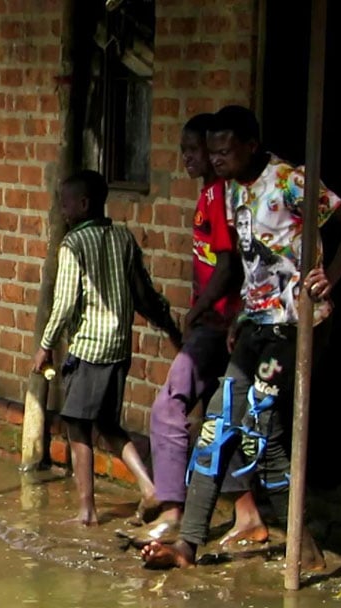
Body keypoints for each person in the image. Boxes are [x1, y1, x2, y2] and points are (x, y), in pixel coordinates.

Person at [142, 105, 341, 569]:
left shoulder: (291, 182)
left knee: (260, 426)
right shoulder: (228, 193)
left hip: (296, 325)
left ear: (250, 145)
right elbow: (245, 265)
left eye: (226, 151)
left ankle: (302, 548)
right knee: (218, 426)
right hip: (254, 327)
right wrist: (237, 314)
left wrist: (330, 277)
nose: (217, 159)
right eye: (213, 152)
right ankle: (188, 544)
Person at [32, 170, 183, 526]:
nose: (62, 209)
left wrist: (45, 345)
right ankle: (149, 487)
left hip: (88, 348)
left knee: (77, 426)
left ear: (83, 204)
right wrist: (169, 326)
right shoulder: (123, 237)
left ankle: (86, 510)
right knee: (107, 424)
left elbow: (66, 303)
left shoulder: (72, 245)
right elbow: (142, 292)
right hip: (118, 348)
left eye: (66, 202)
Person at [145, 114, 264, 545]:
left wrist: (198, 310)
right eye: (188, 152)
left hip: (220, 321)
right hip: (222, 319)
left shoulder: (220, 194)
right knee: (220, 416)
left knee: (168, 406)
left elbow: (229, 267)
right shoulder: (214, 193)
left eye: (196, 152)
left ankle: (173, 509)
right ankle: (248, 515)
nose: (190, 160)